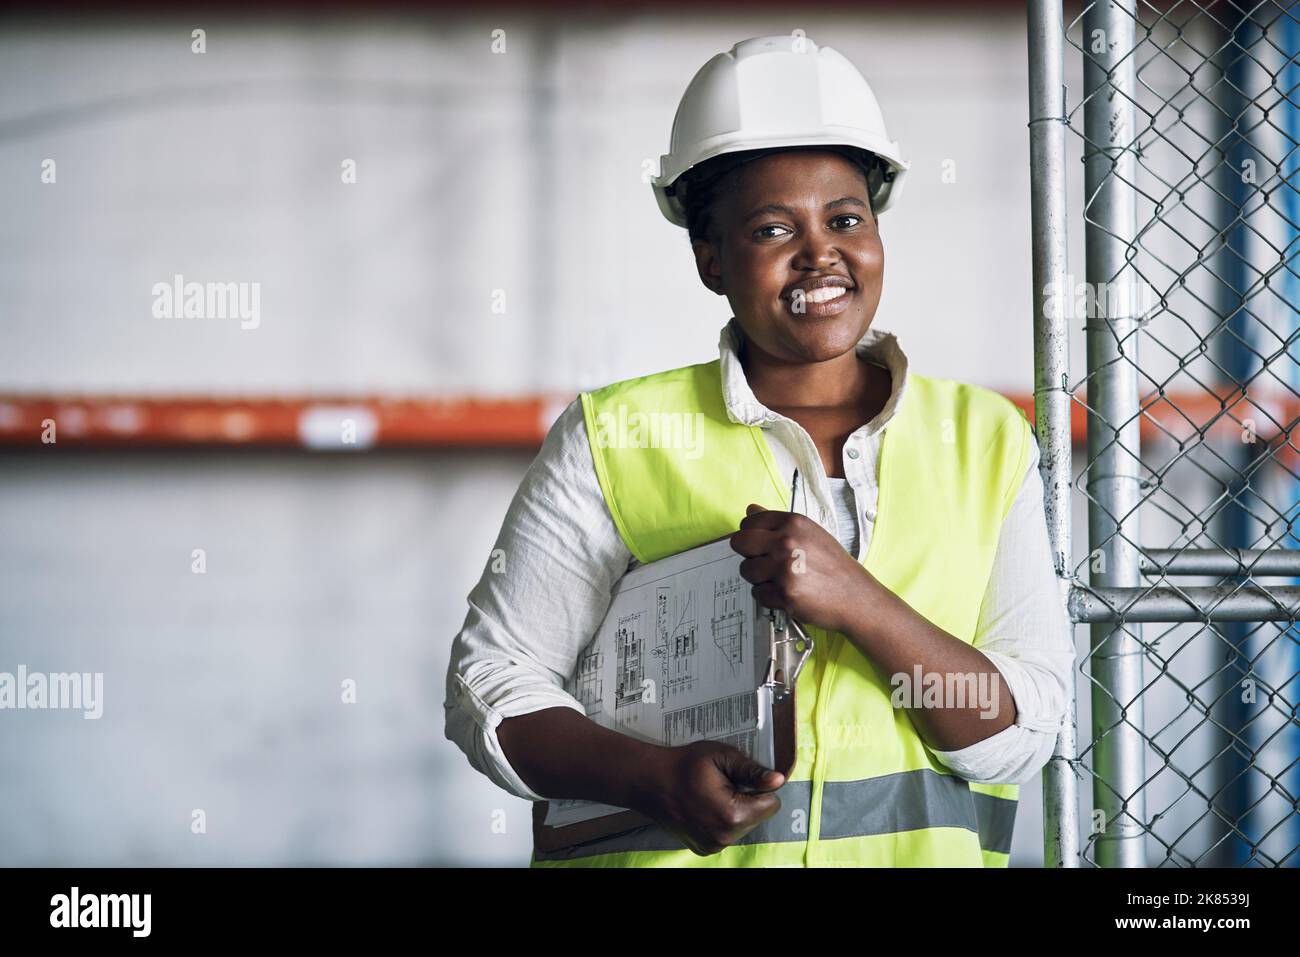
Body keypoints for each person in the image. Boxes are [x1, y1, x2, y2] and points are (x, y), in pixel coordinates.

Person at [444, 34, 1074, 867]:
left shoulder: (985, 438)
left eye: (846, 219)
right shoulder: (618, 433)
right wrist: (650, 777)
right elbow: (489, 685)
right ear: (711, 260)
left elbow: (1022, 730)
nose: (821, 252)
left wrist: (861, 603)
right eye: (773, 228)